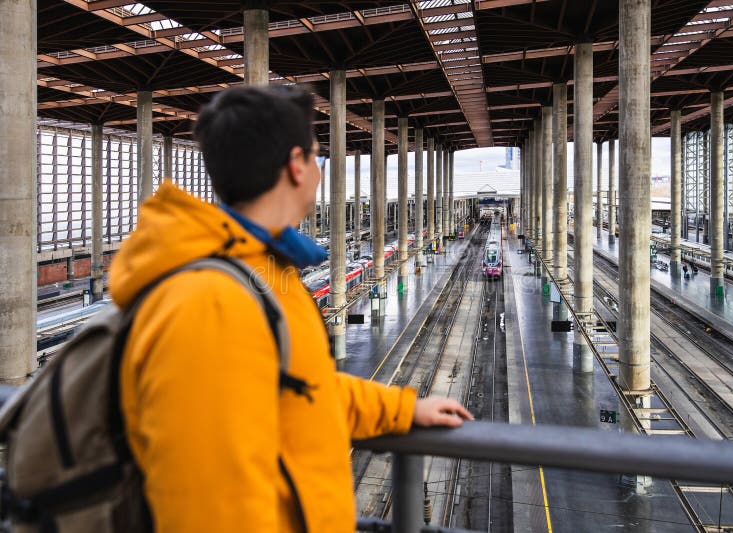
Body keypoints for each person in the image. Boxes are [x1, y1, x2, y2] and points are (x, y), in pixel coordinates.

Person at [110, 86, 472, 533]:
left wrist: (401, 410)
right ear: (296, 165)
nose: (321, 174)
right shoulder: (210, 300)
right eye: (319, 159)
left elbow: (301, 392)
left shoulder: (264, 272)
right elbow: (202, 501)